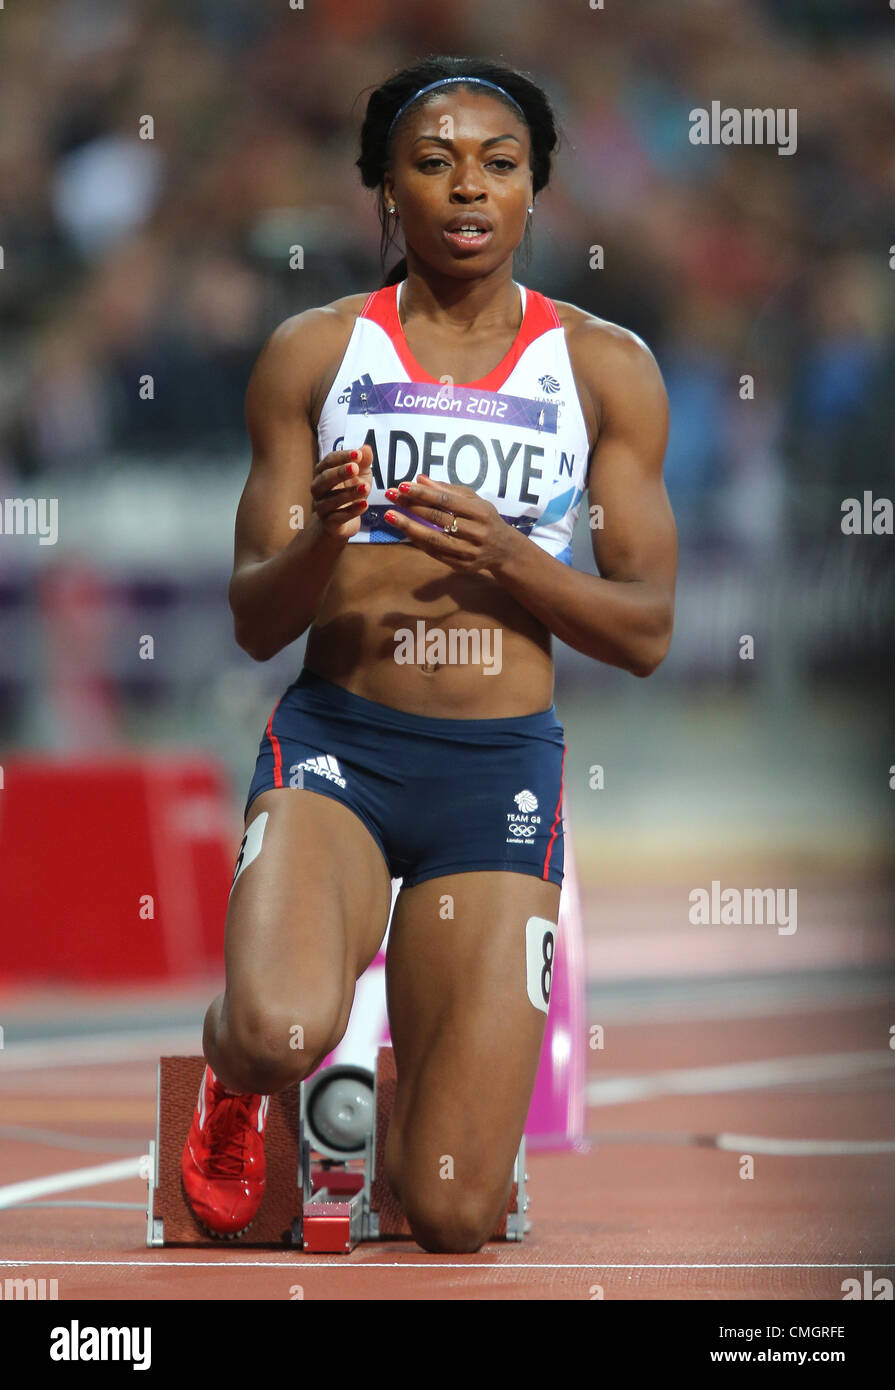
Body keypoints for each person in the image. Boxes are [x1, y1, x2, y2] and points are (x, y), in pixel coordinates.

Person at [181, 55, 677, 1253]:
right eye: (434, 162)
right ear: (384, 190)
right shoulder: (315, 354)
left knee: (452, 1206)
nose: (468, 188)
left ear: (532, 192)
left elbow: (647, 629)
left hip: (495, 775)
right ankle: (235, 1076)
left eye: (499, 166)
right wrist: (326, 543)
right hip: (339, 745)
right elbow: (255, 616)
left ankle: (423, 1107)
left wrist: (511, 560)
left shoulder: (605, 370)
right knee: (282, 1028)